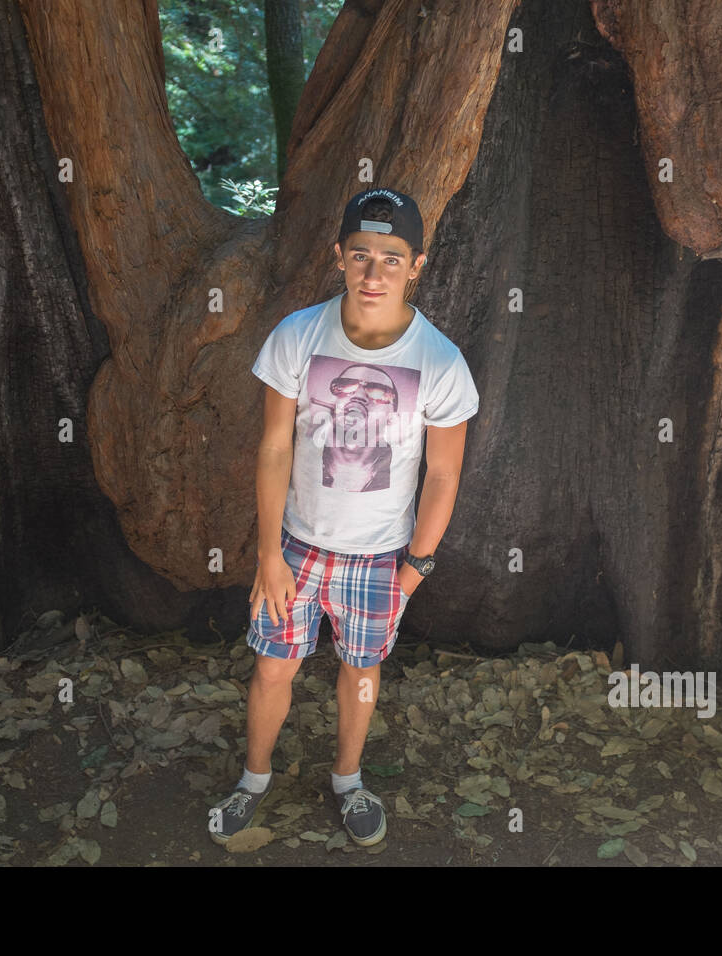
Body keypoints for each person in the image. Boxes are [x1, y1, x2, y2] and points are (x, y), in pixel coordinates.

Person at [208, 187, 480, 848]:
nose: (374, 273)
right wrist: (269, 554)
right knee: (274, 667)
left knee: (361, 672)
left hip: (380, 557)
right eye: (361, 255)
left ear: (416, 264)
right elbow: (274, 446)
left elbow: (443, 473)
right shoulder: (298, 336)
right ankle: (253, 779)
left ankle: (349, 780)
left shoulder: (439, 362)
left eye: (391, 258)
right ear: (339, 256)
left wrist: (414, 568)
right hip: (297, 547)